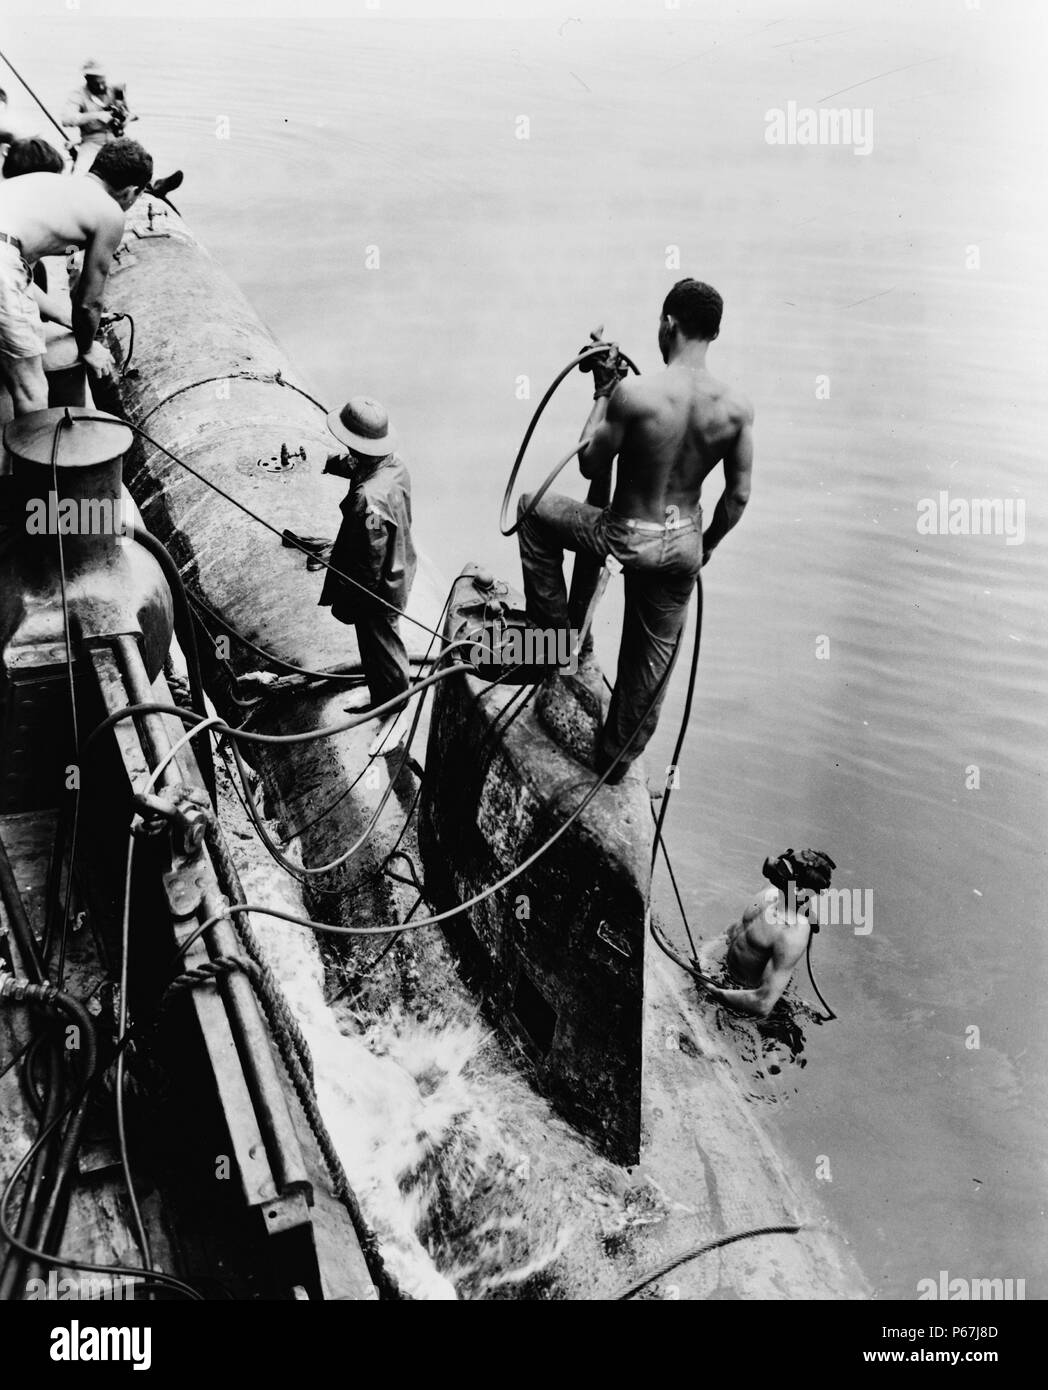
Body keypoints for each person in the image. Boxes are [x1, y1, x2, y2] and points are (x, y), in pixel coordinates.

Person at [516, 278, 754, 782]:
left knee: (531, 512)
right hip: (683, 542)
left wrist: (603, 392)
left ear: (669, 323)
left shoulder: (635, 393)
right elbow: (737, 497)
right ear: (713, 333)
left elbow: (587, 462)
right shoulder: (736, 409)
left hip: (625, 535)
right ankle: (617, 758)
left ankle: (555, 643)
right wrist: (705, 546)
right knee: (653, 660)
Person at [0, 136, 152, 415]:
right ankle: (32, 457)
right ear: (131, 192)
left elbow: (73, 273)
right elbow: (89, 301)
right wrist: (87, 346)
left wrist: (68, 318)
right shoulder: (109, 214)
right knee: (32, 389)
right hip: (4, 260)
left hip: (5, 255)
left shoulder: (64, 191)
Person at [319, 396, 417, 735]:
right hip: (401, 560)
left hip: (379, 584)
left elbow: (371, 554)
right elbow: (362, 465)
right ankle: (380, 695)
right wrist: (332, 463)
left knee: (382, 643)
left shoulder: (369, 500)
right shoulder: (395, 466)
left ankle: (394, 706)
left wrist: (354, 596)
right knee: (373, 641)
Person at [697, 849, 837, 1019]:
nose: (776, 868)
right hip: (720, 974)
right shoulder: (770, 892)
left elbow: (763, 1003)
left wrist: (714, 990)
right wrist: (702, 956)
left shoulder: (792, 934)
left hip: (741, 999)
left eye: (784, 869)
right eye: (783, 861)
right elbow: (731, 931)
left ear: (799, 890)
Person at [61, 59, 182, 197]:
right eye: (96, 83)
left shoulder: (115, 91)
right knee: (80, 174)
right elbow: (66, 119)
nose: (101, 86)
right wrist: (96, 115)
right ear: (87, 79)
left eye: (103, 81)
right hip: (92, 141)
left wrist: (126, 118)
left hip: (116, 139)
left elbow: (134, 114)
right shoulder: (78, 95)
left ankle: (157, 184)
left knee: (139, 160)